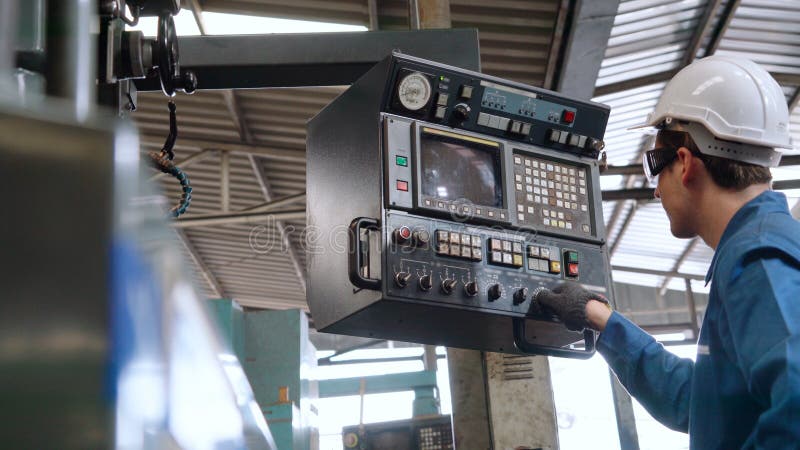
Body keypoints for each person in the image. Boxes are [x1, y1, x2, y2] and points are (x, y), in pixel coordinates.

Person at [536, 55, 800, 449]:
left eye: (655, 167)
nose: (657, 190)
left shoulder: (758, 259)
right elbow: (701, 403)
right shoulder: (760, 252)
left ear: (685, 163)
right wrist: (603, 321)